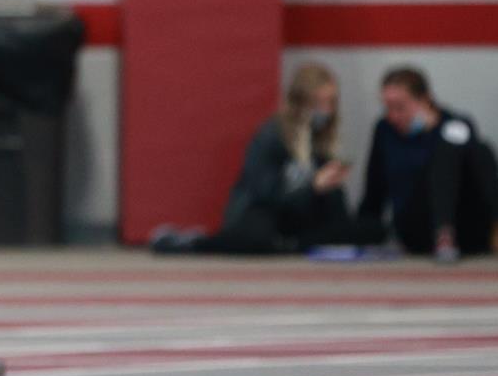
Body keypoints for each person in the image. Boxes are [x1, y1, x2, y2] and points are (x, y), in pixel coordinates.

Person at [150, 62, 381, 255]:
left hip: (303, 219)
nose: (325, 110)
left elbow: (334, 210)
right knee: (257, 236)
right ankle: (193, 243)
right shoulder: (272, 134)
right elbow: (264, 191)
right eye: (319, 103)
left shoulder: (324, 138)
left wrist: (331, 186)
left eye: (330, 102)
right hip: (268, 212)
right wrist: (312, 186)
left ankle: (292, 244)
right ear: (301, 102)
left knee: (372, 229)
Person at [355, 66, 498, 263]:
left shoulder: (456, 122)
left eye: (400, 107)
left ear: (425, 100)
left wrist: (432, 134)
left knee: (478, 147)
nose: (393, 116)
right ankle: (444, 234)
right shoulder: (384, 130)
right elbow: (374, 189)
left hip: (465, 225)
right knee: (451, 145)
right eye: (387, 108)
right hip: (417, 226)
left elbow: (483, 176)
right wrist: (361, 233)